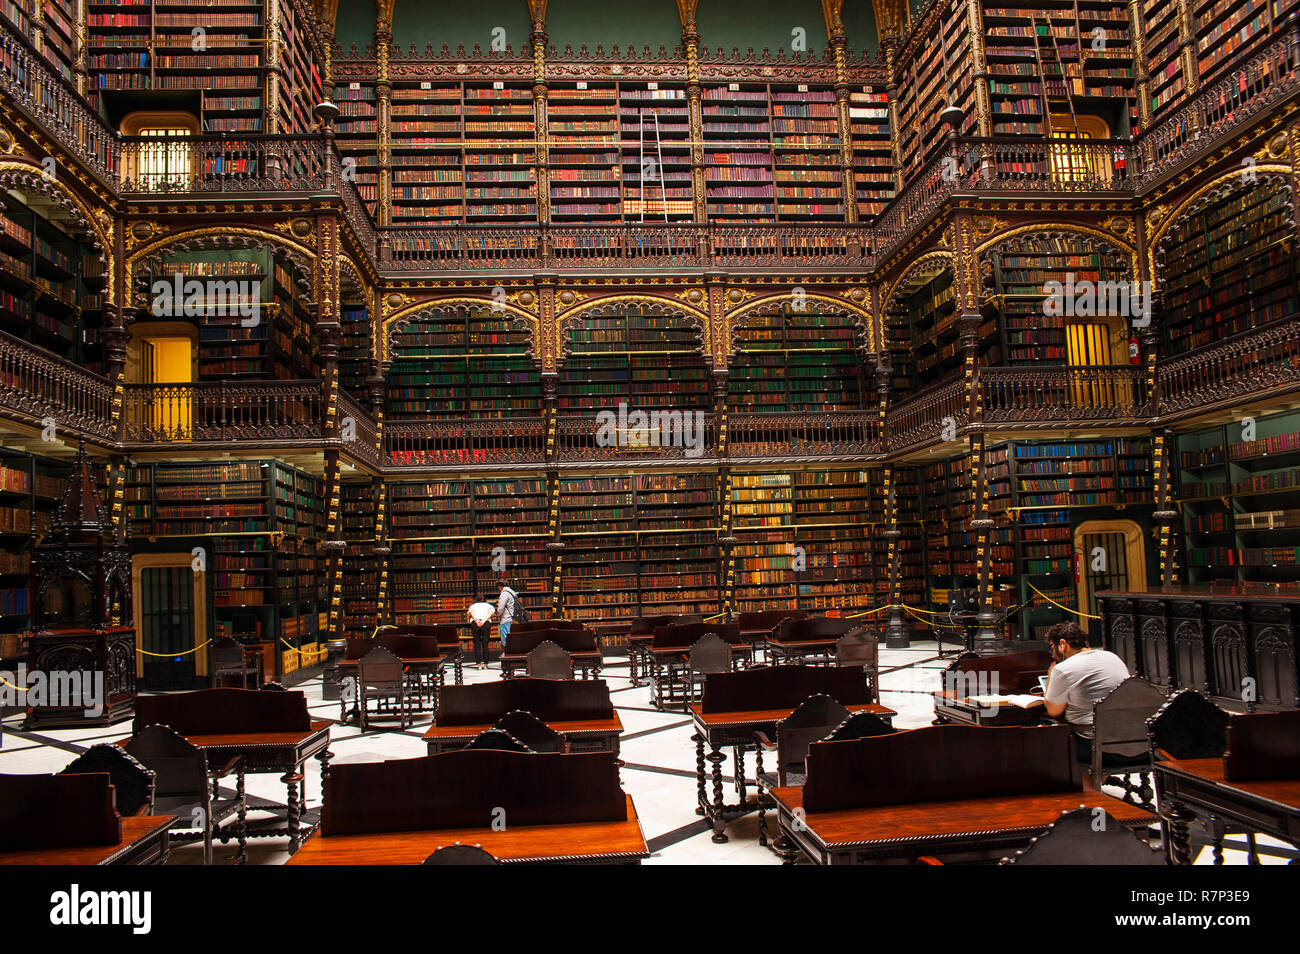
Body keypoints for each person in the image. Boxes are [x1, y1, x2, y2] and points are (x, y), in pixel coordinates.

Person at [1042, 620, 1131, 761]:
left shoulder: (1062, 669)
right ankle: (1097, 780)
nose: (1053, 654)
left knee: (1046, 739)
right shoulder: (1112, 657)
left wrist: (1051, 676)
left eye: (1052, 647)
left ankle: (1087, 783)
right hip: (1133, 740)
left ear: (1063, 644)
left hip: (1093, 744)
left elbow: (1054, 711)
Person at [466, 596, 495, 670]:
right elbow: (491, 613)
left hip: (475, 623)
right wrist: (483, 621)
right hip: (485, 623)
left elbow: (470, 613)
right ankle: (486, 664)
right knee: (485, 643)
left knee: (477, 644)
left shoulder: (472, 606)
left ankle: (478, 664)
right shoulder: (489, 606)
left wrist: (476, 620)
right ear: (484, 599)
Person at [496, 580, 521, 654]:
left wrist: (498, 614)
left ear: (499, 586)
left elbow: (500, 608)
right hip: (513, 618)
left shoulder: (504, 593)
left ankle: (507, 657)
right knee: (512, 639)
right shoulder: (512, 592)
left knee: (506, 640)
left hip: (506, 619)